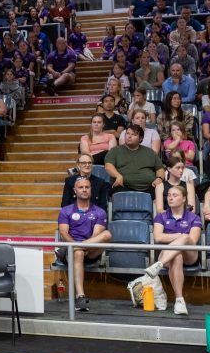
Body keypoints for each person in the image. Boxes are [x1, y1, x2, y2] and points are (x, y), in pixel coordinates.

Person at [145, 185, 203, 316]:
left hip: (189, 254)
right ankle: (179, 300)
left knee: (186, 238)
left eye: (175, 195)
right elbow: (158, 237)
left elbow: (192, 241)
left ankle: (157, 265)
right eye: (169, 195)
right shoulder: (161, 216)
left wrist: (180, 237)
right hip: (169, 255)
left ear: (183, 199)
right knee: (177, 256)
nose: (170, 198)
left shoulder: (194, 218)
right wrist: (179, 236)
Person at [57, 177, 111, 312]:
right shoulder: (66, 210)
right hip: (70, 249)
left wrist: (84, 246)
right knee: (78, 252)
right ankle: (80, 296)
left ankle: (80, 248)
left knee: (106, 235)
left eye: (87, 187)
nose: (84, 190)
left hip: (91, 250)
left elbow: (96, 235)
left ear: (91, 190)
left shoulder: (99, 211)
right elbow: (64, 233)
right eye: (81, 187)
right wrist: (76, 246)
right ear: (75, 191)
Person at [104, 124, 165, 195]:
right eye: (127, 133)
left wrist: (159, 178)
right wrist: (118, 176)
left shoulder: (150, 152)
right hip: (124, 187)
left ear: (140, 138)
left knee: (163, 191)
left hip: (150, 187)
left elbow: (160, 168)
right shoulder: (115, 151)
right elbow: (108, 165)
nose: (129, 136)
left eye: (133, 134)